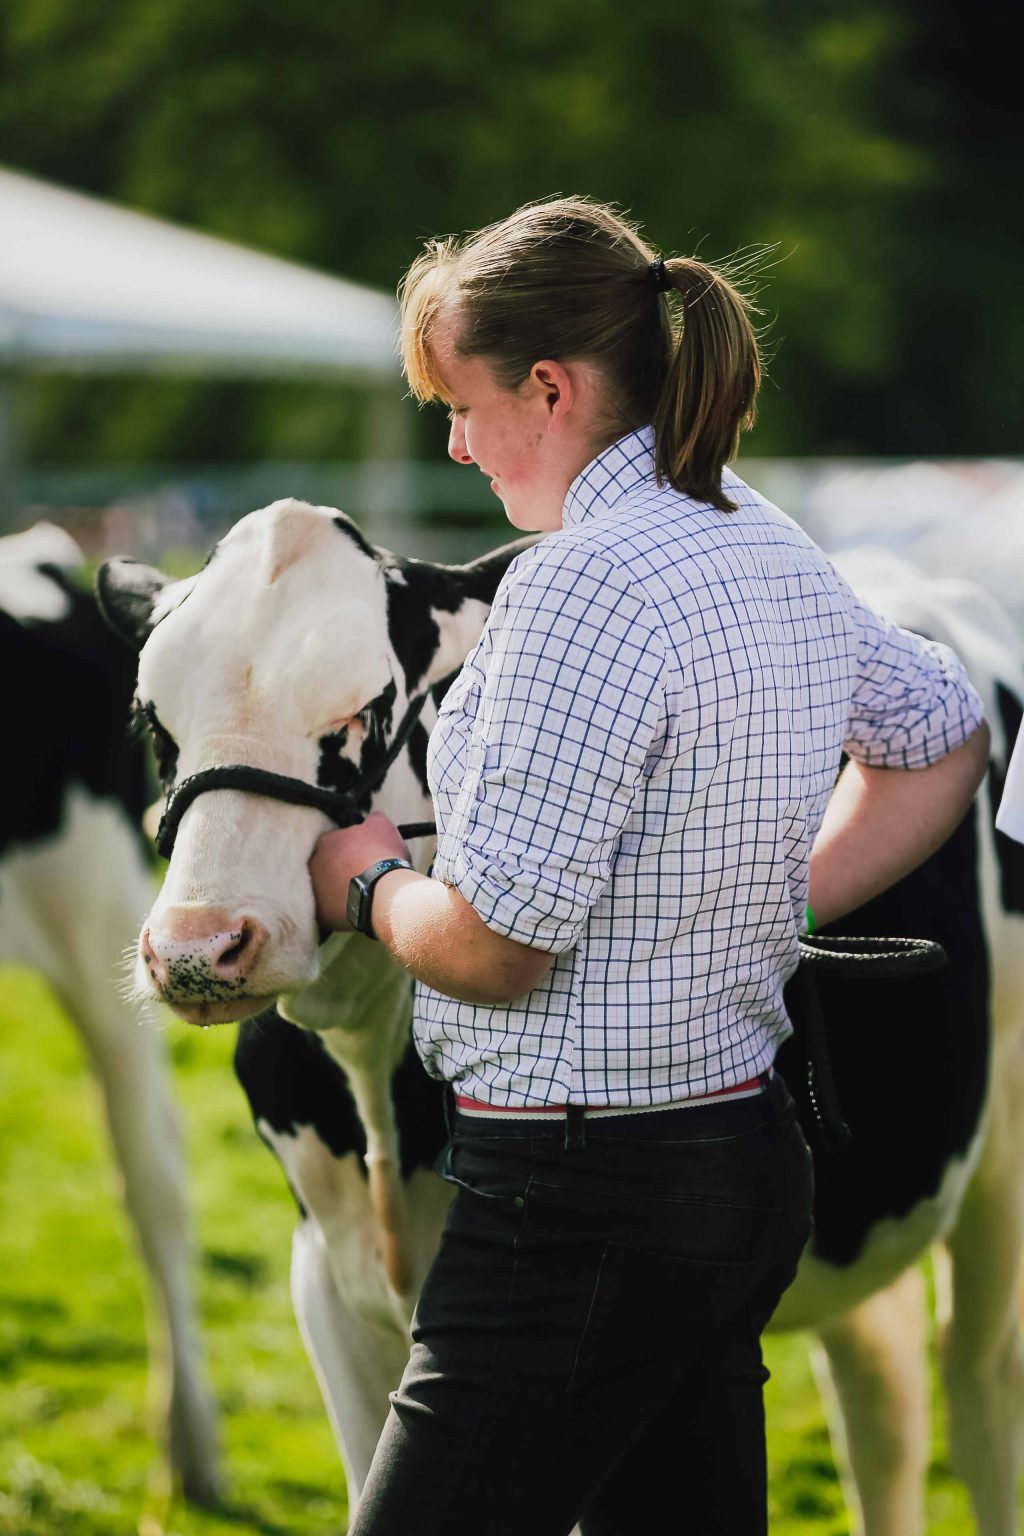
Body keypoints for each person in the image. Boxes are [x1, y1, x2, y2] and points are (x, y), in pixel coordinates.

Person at [308, 196, 990, 1536]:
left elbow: (502, 951)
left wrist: (371, 880)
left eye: (461, 401)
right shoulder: (760, 533)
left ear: (549, 386)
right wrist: (772, 904)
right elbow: (946, 735)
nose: (453, 438)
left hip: (576, 1203)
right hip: (741, 1161)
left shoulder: (579, 585)